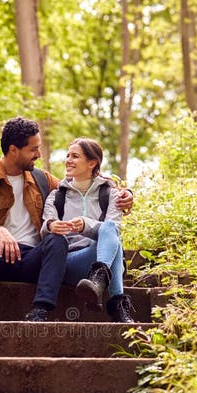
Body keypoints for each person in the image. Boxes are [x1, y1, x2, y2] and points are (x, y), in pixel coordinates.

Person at [0, 117, 133, 322]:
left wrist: (125, 194)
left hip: (32, 260)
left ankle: (41, 311)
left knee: (56, 239)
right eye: (33, 149)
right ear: (13, 150)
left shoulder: (42, 180)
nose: (38, 154)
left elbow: (81, 183)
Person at [41, 137, 135, 323]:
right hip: (68, 262)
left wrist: (86, 225)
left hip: (100, 257)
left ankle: (98, 280)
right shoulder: (57, 196)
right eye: (67, 156)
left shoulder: (110, 194)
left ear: (92, 163)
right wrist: (52, 226)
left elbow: (112, 229)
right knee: (113, 246)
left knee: (110, 231)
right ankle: (117, 303)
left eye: (75, 156)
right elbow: (45, 228)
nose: (68, 160)